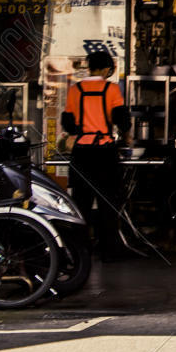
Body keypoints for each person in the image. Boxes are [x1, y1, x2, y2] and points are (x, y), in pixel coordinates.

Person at [60, 50, 129, 262]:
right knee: (108, 202)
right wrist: (126, 135)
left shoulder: (75, 90)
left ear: (90, 67)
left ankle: (81, 250)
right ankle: (109, 251)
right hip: (105, 151)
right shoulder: (111, 89)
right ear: (107, 69)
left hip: (81, 152)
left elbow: (68, 123)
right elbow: (122, 120)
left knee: (81, 202)